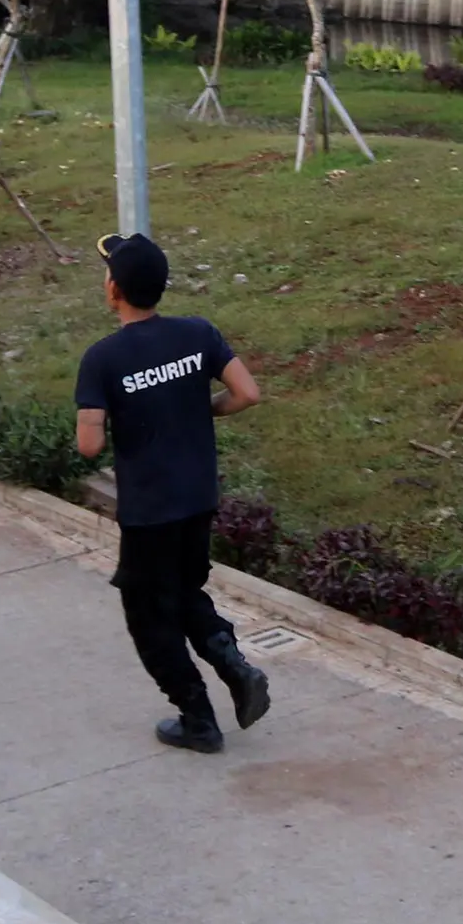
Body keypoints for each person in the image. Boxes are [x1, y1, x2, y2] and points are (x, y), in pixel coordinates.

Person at [75, 233, 269, 753]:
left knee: (147, 614)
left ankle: (197, 718)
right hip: (198, 498)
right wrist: (199, 407)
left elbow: (89, 444)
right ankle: (232, 664)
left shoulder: (102, 358)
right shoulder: (199, 334)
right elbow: (248, 392)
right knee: (182, 592)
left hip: (149, 510)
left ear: (113, 289)